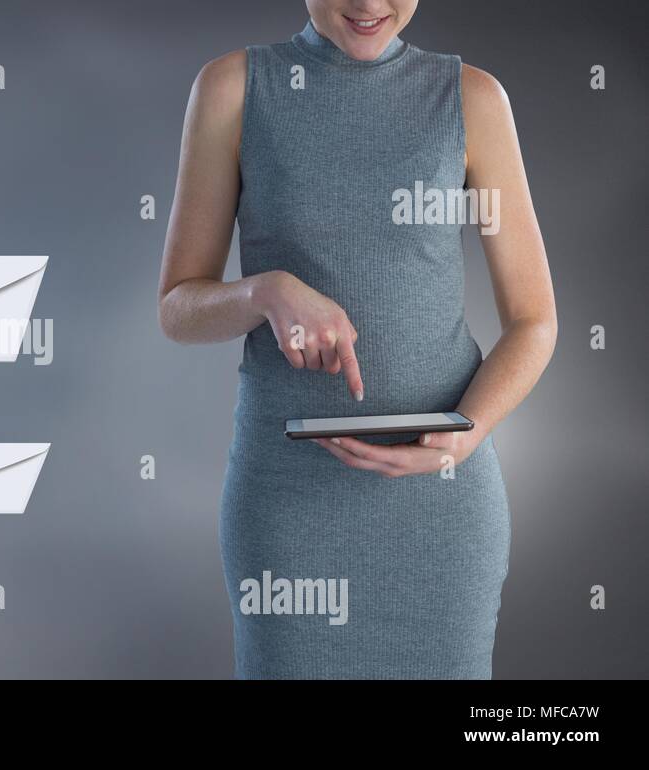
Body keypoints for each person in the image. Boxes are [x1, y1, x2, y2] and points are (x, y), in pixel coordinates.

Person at [157, 0, 557, 678]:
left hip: (440, 511)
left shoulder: (471, 98)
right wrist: (263, 290)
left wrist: (465, 435)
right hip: (288, 505)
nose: (370, 4)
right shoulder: (232, 89)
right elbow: (177, 309)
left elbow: (534, 321)